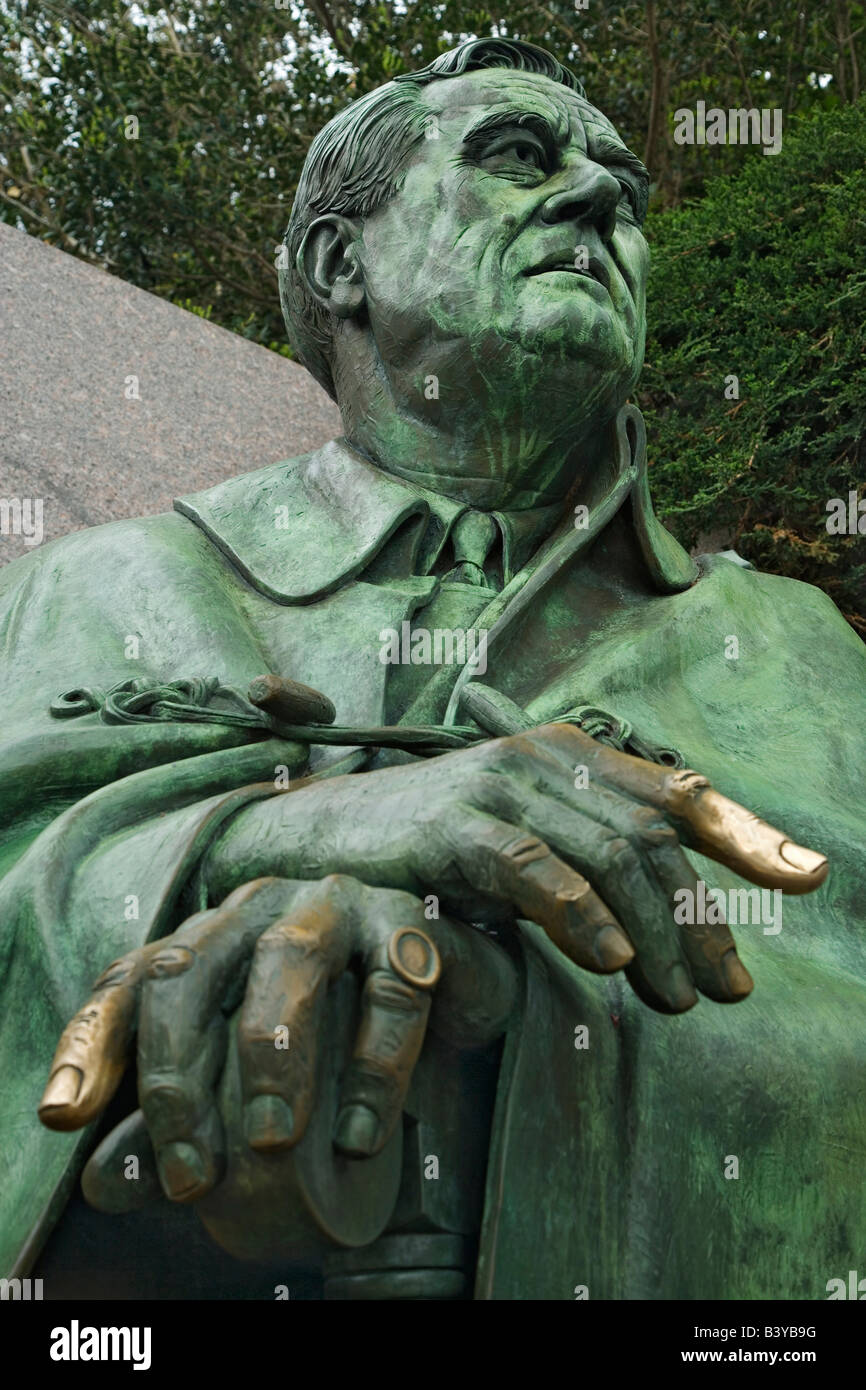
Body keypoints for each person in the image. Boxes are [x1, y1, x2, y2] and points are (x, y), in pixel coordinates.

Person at [1, 38, 863, 1300]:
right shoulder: (87, 588)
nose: (598, 200)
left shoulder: (792, 649)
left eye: (623, 187)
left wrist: (503, 1018)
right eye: (518, 157)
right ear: (338, 263)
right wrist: (265, 843)